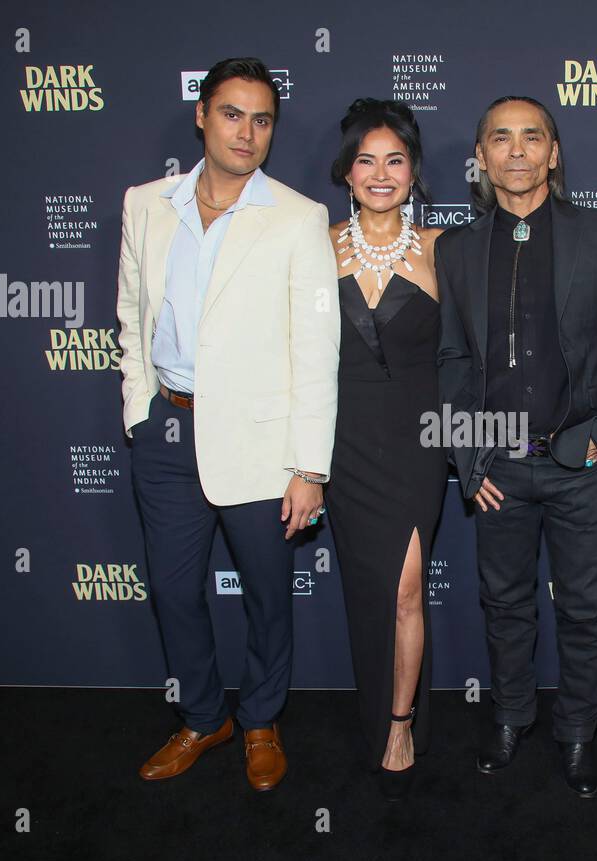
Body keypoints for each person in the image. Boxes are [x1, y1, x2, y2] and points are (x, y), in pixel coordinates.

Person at [116, 57, 340, 792]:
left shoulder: (299, 217)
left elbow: (316, 350)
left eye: (262, 119)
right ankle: (204, 716)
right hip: (167, 433)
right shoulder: (146, 204)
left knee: (268, 596)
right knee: (175, 593)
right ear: (202, 116)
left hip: (261, 444)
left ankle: (262, 720)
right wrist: (138, 409)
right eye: (233, 114)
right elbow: (130, 313)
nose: (247, 132)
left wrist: (309, 466)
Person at [436, 95, 597, 797]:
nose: (518, 149)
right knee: (504, 603)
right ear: (482, 157)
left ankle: (578, 731)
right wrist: (467, 456)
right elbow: (452, 362)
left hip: (580, 463)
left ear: (554, 154)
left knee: (587, 609)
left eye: (533, 136)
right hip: (496, 464)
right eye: (501, 136)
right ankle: (510, 716)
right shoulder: (458, 249)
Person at [322, 99, 447, 800]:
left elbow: (464, 357)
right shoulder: (315, 246)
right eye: (366, 159)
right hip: (340, 441)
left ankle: (400, 720)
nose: (380, 172)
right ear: (346, 170)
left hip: (415, 439)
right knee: (368, 589)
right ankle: (376, 707)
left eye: (394, 160)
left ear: (413, 171)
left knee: (405, 586)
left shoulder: (440, 250)